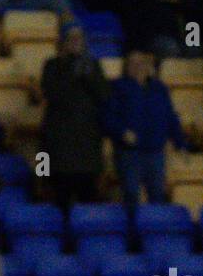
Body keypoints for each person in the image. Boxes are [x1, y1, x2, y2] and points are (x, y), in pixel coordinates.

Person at [104, 51, 187, 210]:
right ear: (126, 67)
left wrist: (180, 143)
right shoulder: (117, 87)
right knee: (131, 195)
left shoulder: (160, 88)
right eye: (133, 64)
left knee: (157, 196)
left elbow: (170, 117)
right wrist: (122, 132)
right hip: (129, 153)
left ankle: (156, 231)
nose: (138, 67)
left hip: (155, 152)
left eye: (141, 63)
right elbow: (107, 117)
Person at [37, 24, 108, 210]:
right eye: (71, 38)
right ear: (63, 42)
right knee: (59, 203)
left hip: (87, 149)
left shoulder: (92, 66)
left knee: (89, 206)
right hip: (60, 149)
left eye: (79, 38)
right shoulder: (52, 65)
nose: (76, 42)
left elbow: (103, 95)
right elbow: (53, 94)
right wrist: (72, 70)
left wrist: (86, 73)